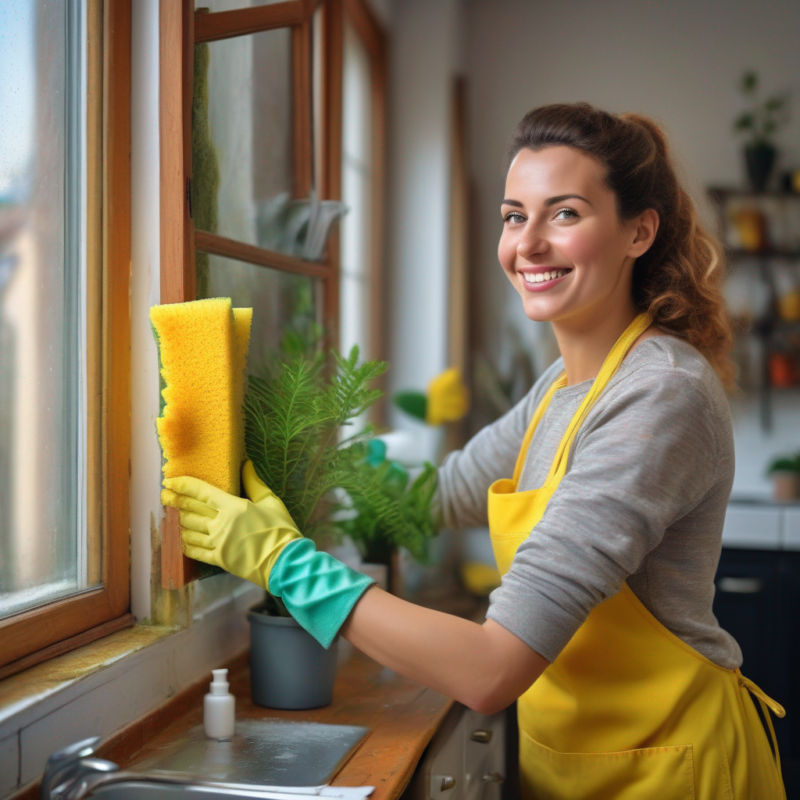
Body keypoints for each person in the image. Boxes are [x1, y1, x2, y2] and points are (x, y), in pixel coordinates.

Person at [162, 102, 786, 799]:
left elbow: (492, 670)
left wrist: (283, 561)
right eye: (515, 215)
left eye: (566, 213)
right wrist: (306, 463)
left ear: (639, 232)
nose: (529, 243)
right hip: (581, 764)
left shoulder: (659, 395)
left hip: (677, 772)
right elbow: (439, 494)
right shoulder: (559, 389)